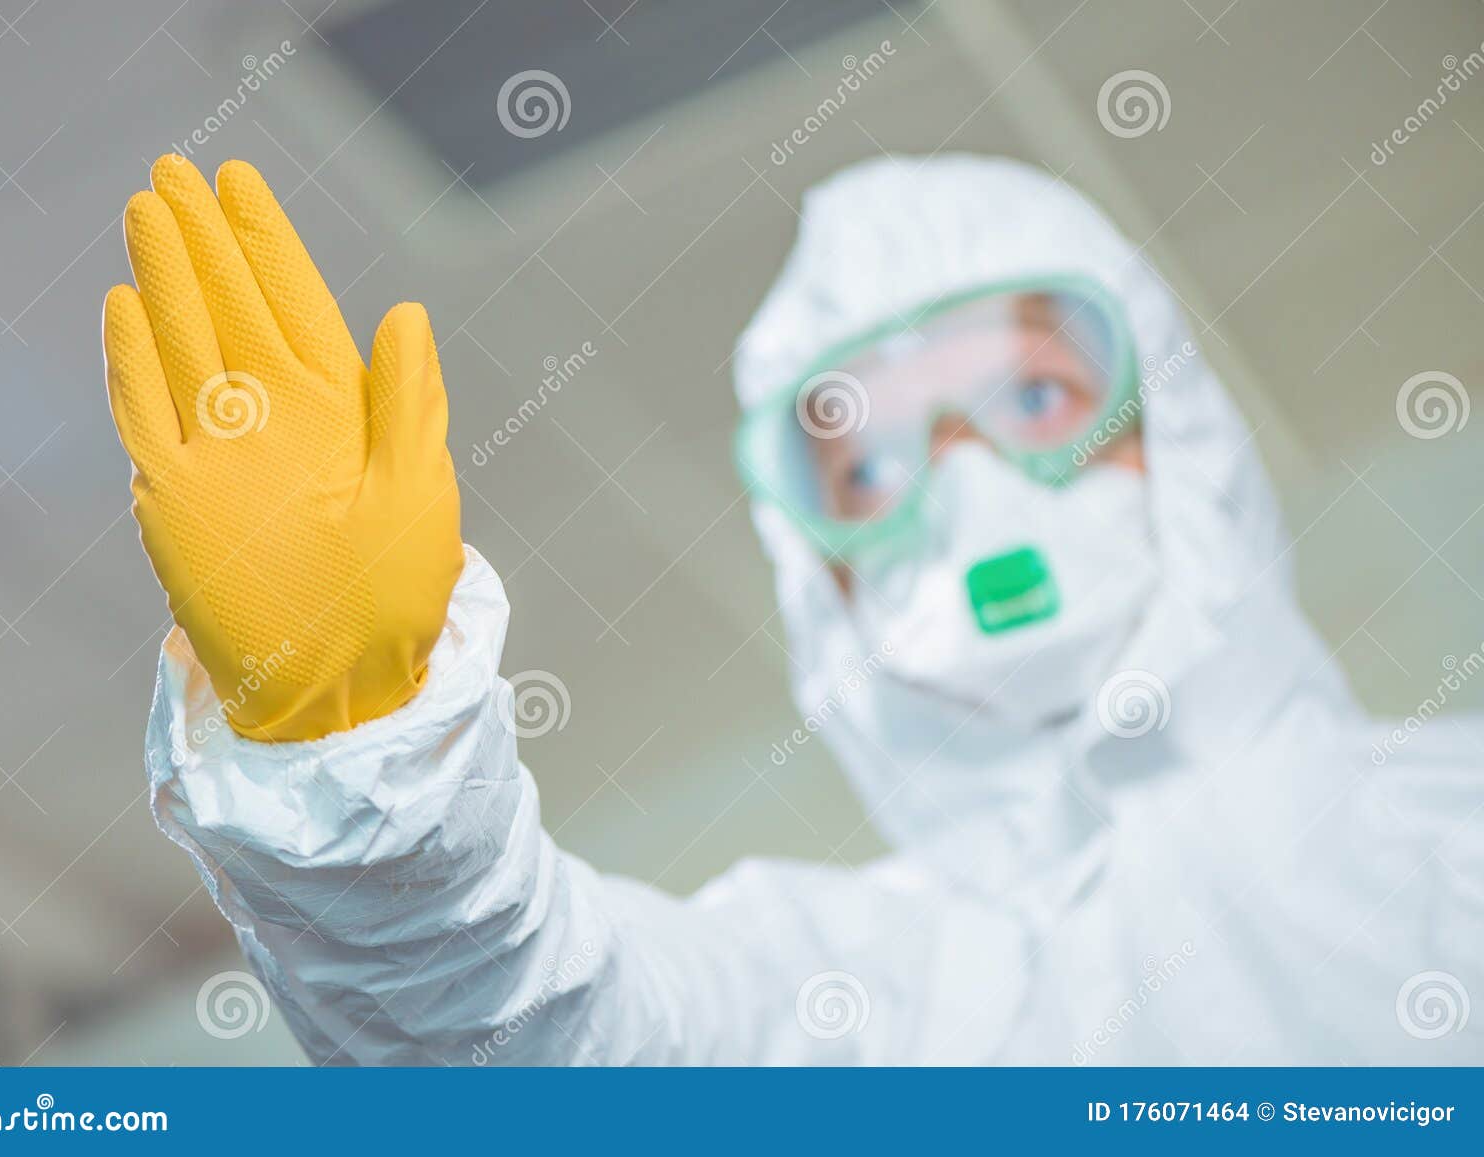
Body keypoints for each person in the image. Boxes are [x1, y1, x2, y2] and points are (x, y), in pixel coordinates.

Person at [103, 152, 1482, 1065]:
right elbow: (513, 1054)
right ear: (810, 561)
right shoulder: (828, 993)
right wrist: (352, 736)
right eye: (869, 462)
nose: (968, 482)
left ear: (1174, 417)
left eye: (1032, 401)